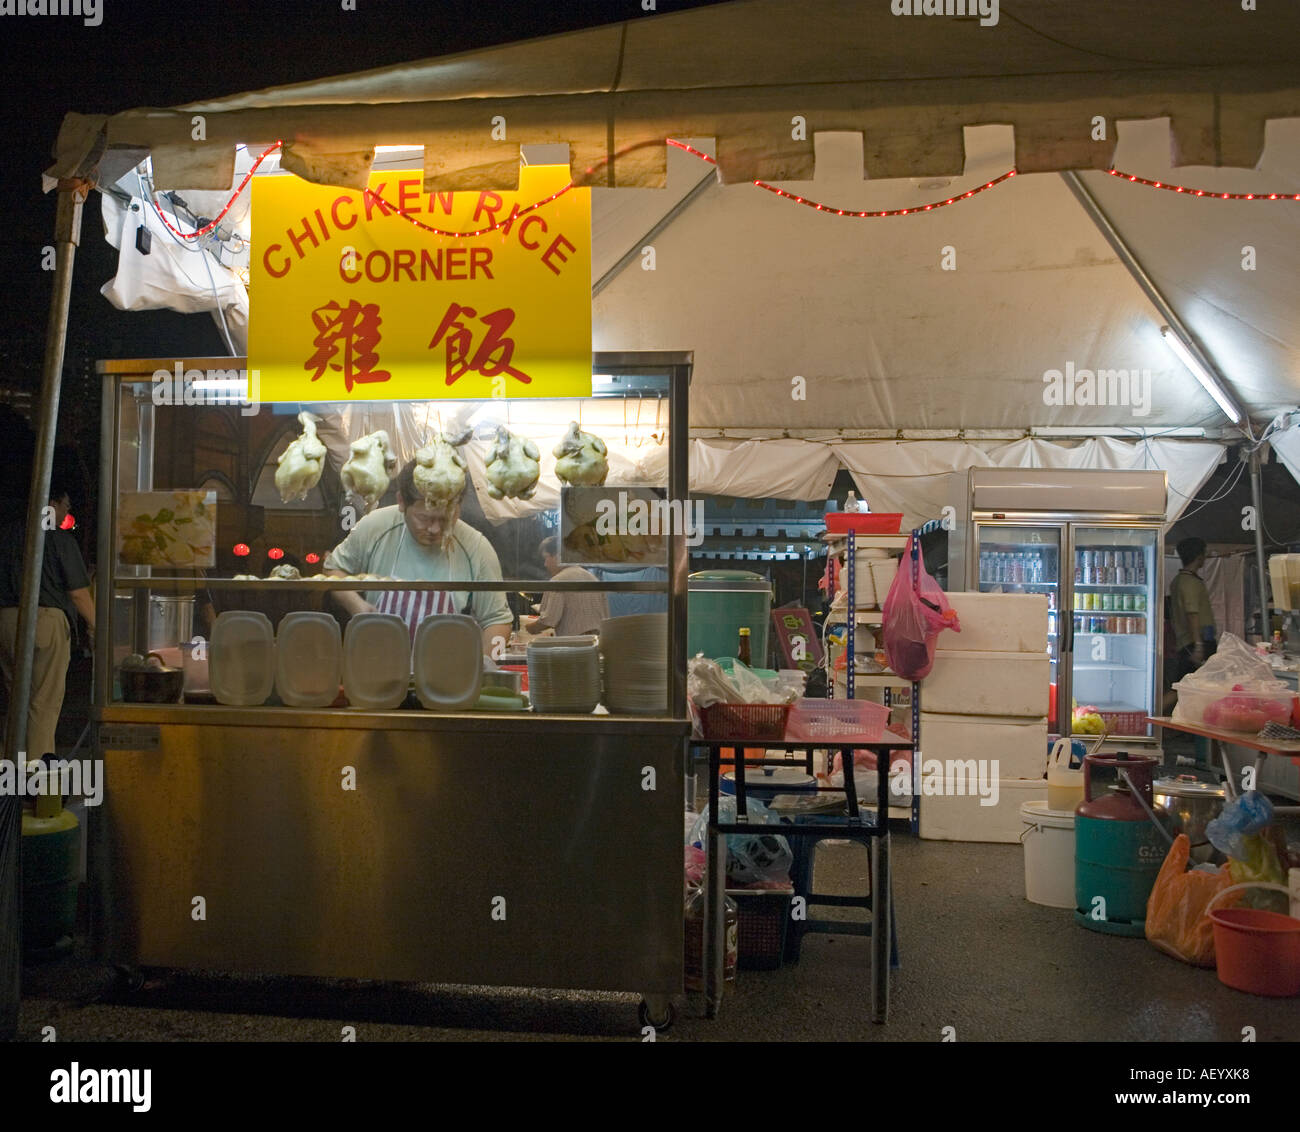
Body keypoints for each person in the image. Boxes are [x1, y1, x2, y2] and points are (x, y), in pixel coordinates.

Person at [324, 460, 511, 657]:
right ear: (401, 502)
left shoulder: (477, 547)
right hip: (379, 668)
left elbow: (497, 621)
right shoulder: (374, 527)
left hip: (448, 676)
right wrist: (358, 606)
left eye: (446, 519)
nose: (435, 529)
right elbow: (332, 569)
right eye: (424, 518)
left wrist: (485, 665)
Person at [0, 480, 96, 760]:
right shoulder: (58, 539)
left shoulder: (7, 535)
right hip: (46, 621)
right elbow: (78, 594)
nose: (67, 512)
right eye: (66, 506)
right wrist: (96, 626)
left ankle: (8, 775)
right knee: (43, 701)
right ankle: (37, 777)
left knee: (16, 699)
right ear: (51, 504)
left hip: (5, 620)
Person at [527, 536, 610, 639]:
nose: (545, 564)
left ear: (558, 556)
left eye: (546, 558)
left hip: (573, 646)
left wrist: (529, 628)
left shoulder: (558, 581)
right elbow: (606, 618)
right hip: (597, 644)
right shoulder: (593, 579)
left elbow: (549, 620)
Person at [1170, 536, 1216, 680]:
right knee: (1186, 687)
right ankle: (1160, 704)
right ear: (1199, 556)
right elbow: (1192, 614)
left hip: (1186, 642)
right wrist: (1199, 646)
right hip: (1195, 642)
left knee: (1185, 686)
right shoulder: (1190, 583)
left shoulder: (1178, 581)